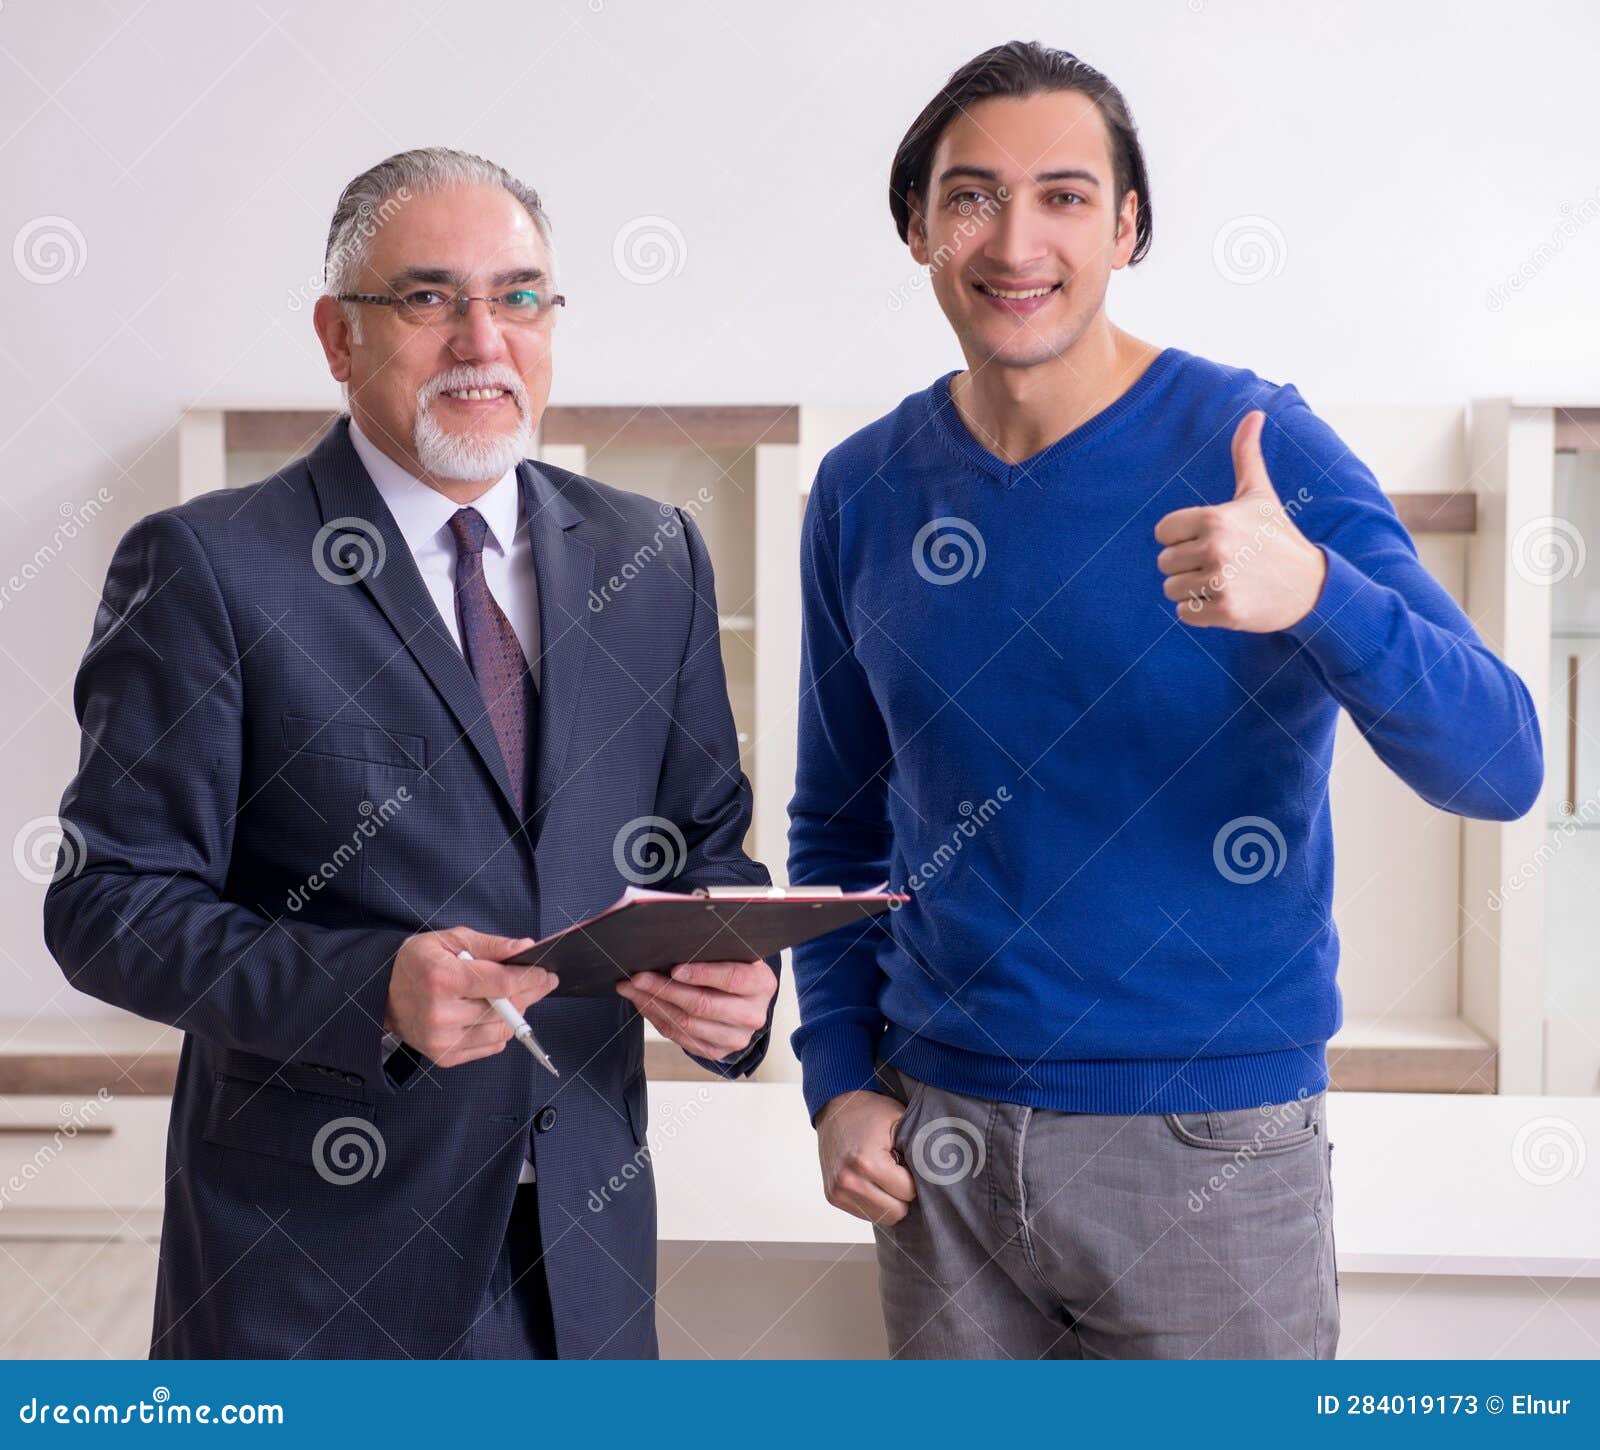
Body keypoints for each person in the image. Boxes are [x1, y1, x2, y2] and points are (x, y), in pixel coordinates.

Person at [787, 42, 1543, 1359]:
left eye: (1067, 196)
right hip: (939, 1143)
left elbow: (1503, 761)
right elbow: (835, 828)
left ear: (1130, 226)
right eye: (972, 195)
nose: (1016, 239)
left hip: (1210, 1150)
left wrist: (1319, 592)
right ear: (917, 227)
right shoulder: (863, 488)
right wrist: (839, 1080)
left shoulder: (1256, 443)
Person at [44, 147, 778, 1359]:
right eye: (430, 297)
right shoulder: (213, 567)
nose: (482, 340)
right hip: (314, 1275)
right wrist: (372, 989)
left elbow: (704, 851)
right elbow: (107, 906)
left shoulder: (652, 558)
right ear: (339, 337)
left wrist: (737, 986)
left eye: (520, 296)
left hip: (581, 1269)